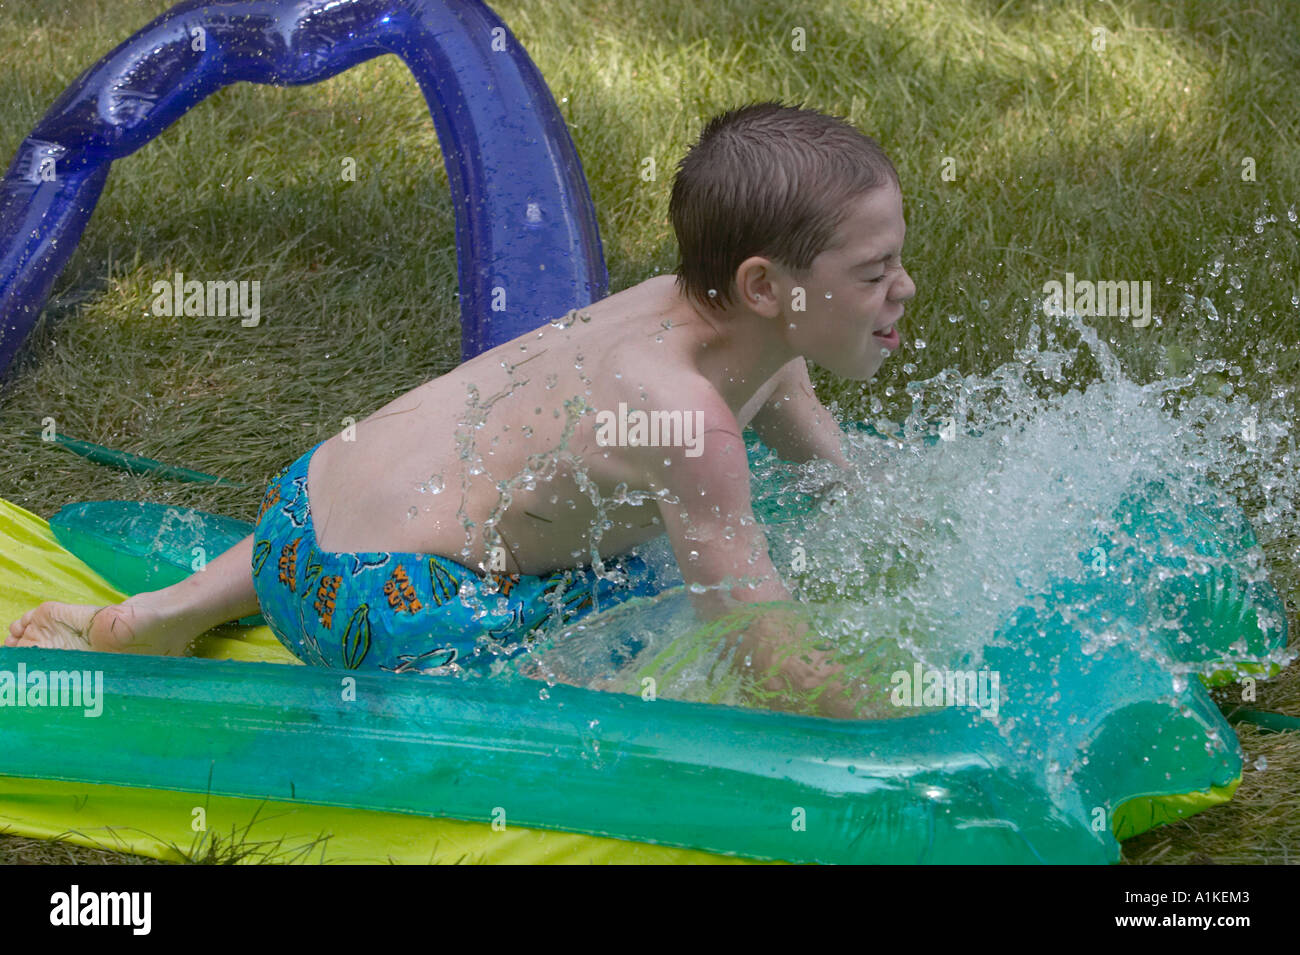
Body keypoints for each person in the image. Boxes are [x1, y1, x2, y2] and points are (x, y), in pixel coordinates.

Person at [7, 100, 914, 718]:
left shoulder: (711, 324)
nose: (903, 290)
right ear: (766, 286)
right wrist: (914, 717)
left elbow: (838, 483)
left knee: (460, 481)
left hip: (292, 519)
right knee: (657, 594)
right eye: (874, 274)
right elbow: (758, 640)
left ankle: (166, 616)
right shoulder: (690, 421)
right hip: (386, 612)